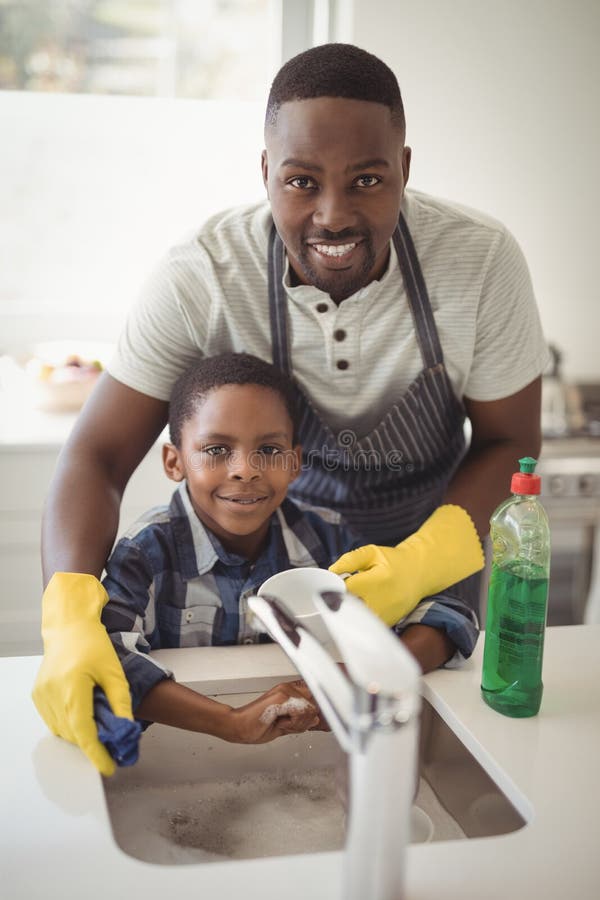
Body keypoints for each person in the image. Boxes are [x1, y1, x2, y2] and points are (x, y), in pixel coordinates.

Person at [33, 43, 547, 775]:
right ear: (265, 173)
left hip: (433, 568)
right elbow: (98, 455)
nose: (332, 217)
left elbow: (507, 443)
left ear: (404, 166)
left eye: (368, 179)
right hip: (287, 562)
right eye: (301, 182)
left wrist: (420, 565)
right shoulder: (201, 276)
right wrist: (68, 611)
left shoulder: (481, 261)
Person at [100, 352, 352, 743]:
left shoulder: (330, 541)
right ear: (174, 462)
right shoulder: (144, 554)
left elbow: (437, 612)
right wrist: (229, 721)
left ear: (295, 463)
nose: (245, 469)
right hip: (178, 753)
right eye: (217, 449)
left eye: (269, 450)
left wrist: (341, 681)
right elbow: (108, 659)